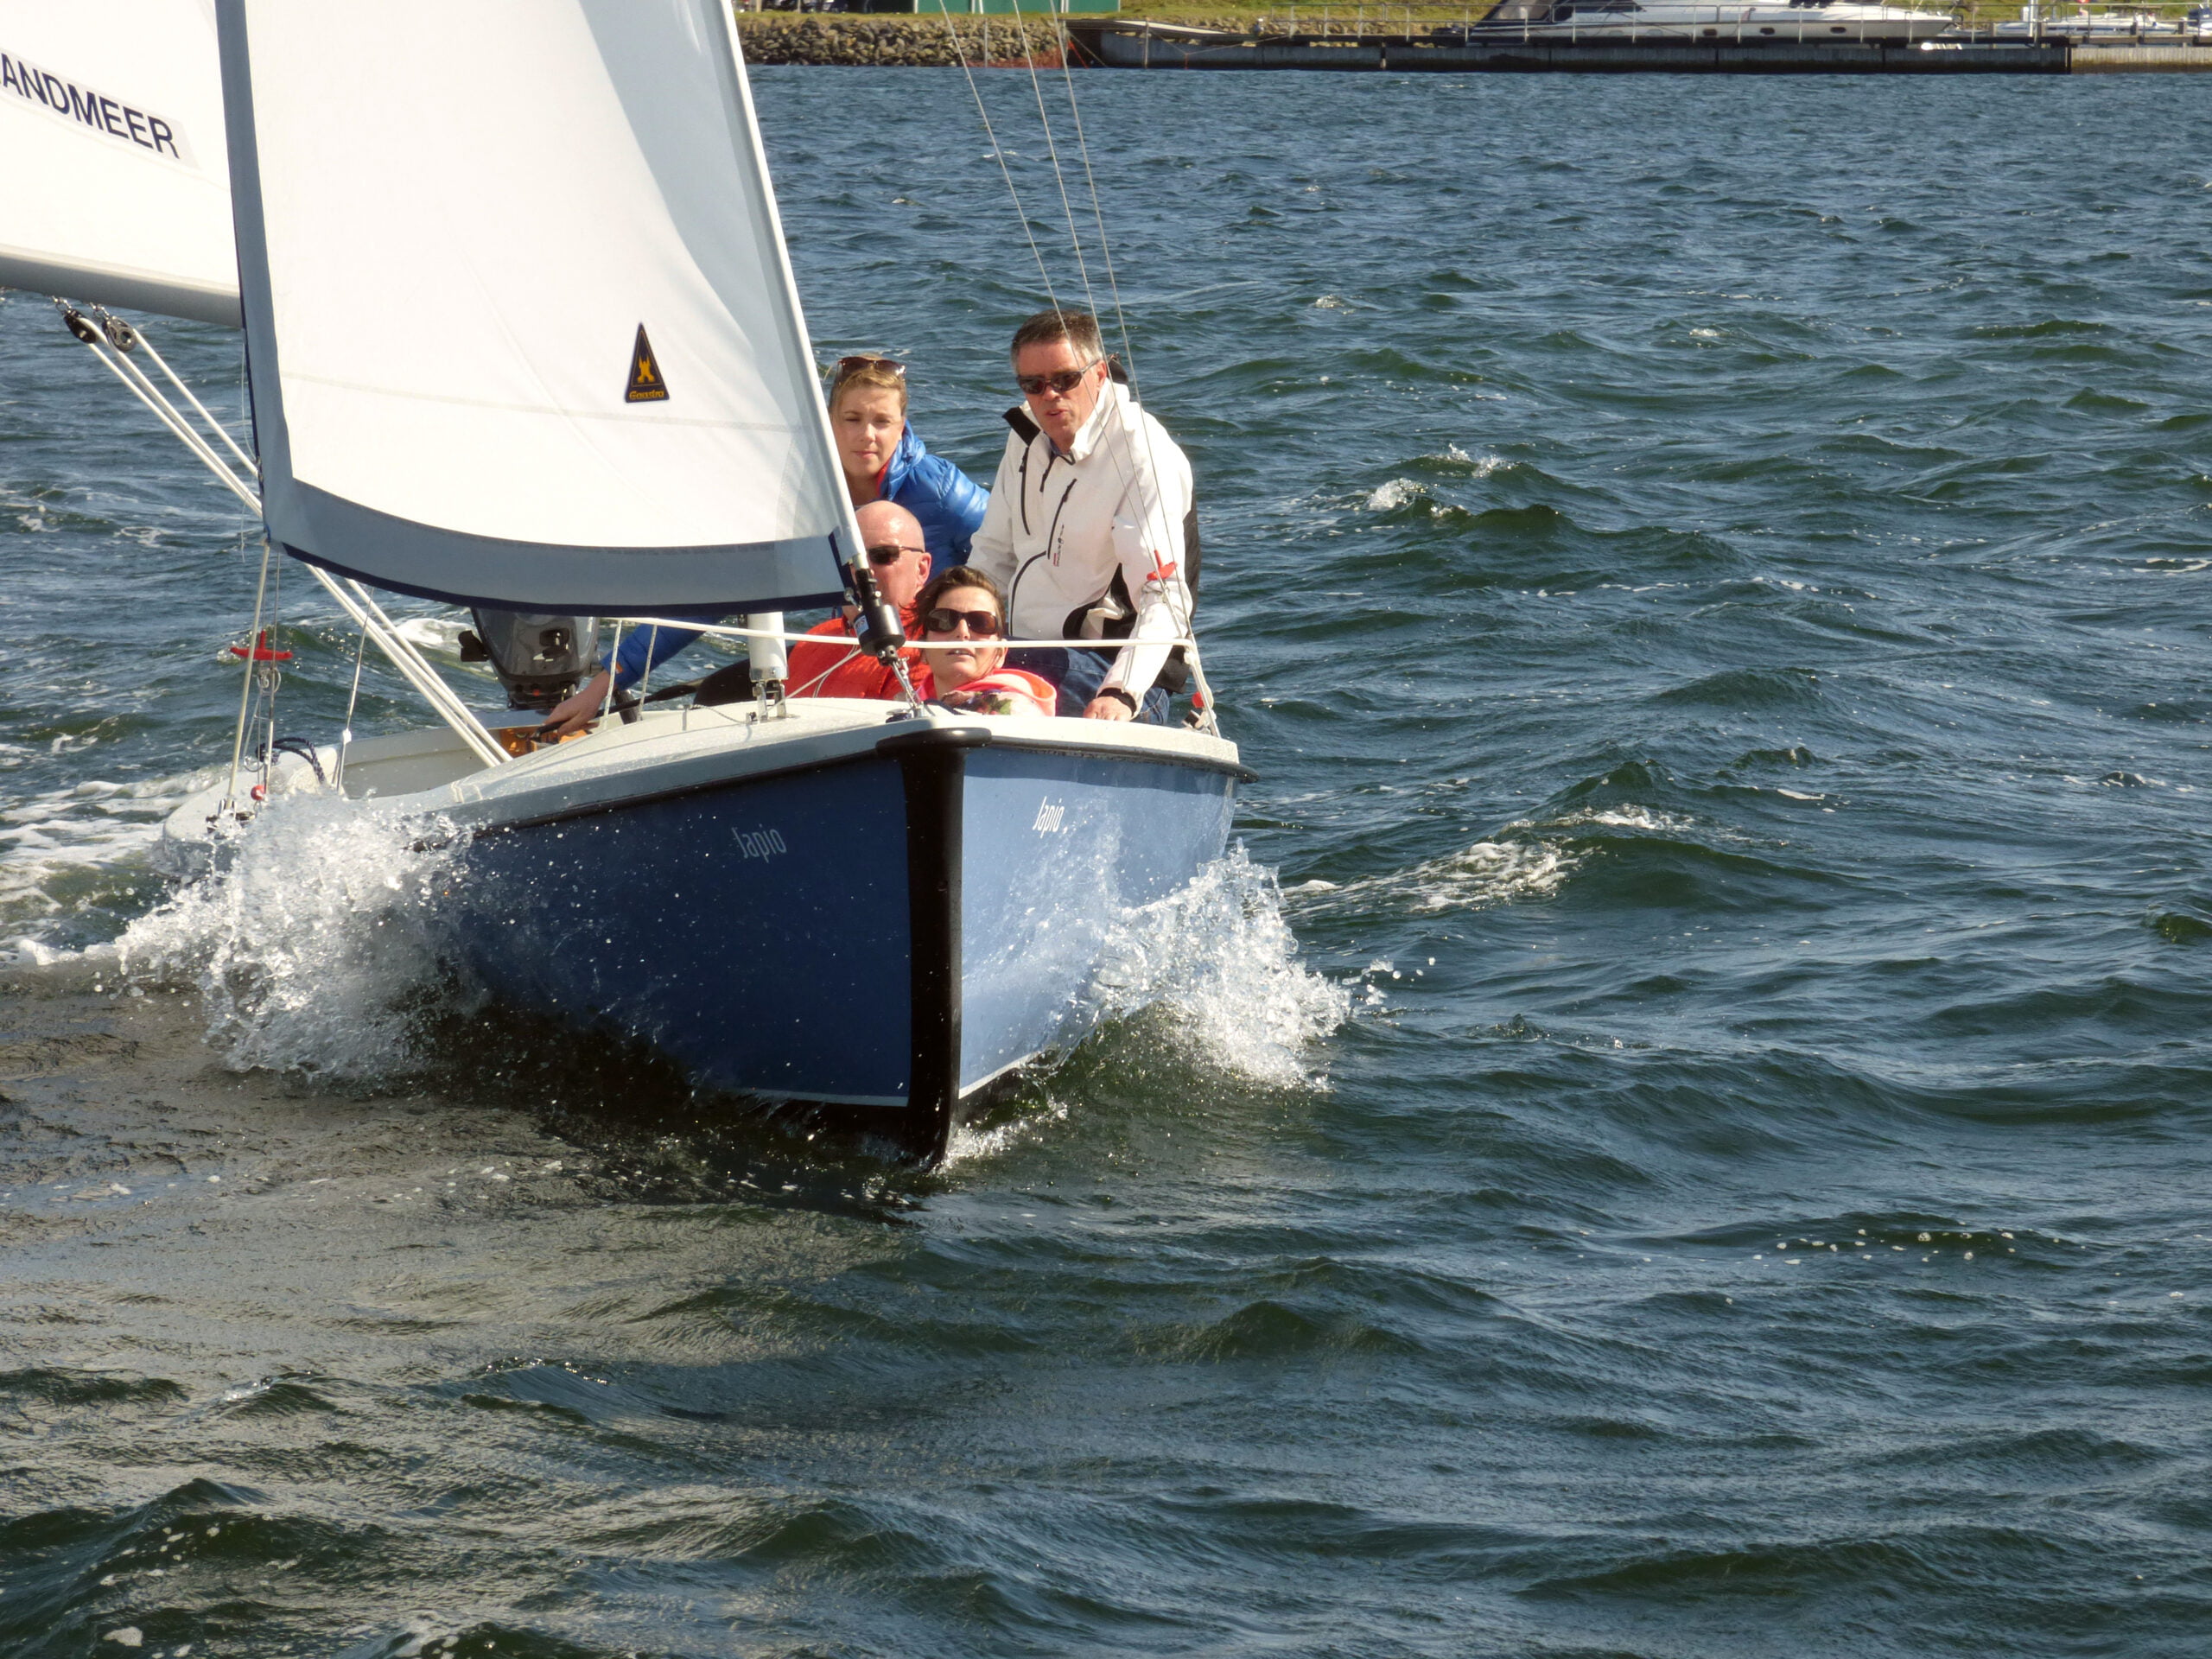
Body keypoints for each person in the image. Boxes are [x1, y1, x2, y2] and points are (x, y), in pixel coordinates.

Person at [540, 357, 988, 734]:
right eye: (852, 419)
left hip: (936, 655)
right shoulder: (801, 496)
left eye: (882, 421)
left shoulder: (941, 491)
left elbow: (1010, 549)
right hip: (854, 649)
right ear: (828, 423)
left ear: (902, 425)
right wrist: (601, 686)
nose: (867, 435)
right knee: (716, 696)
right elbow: (716, 595)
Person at [965, 309, 1195, 723]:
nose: (1049, 395)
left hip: (1110, 672)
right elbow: (992, 555)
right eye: (1033, 385)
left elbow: (1166, 596)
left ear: (1101, 373)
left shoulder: (1143, 455)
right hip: (1021, 647)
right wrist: (951, 633)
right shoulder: (1025, 436)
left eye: (1066, 380)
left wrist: (1121, 692)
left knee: (981, 700)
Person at [785, 499, 931, 700]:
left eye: (882, 555)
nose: (862, 570)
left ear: (921, 569)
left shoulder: (930, 650)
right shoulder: (815, 638)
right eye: (850, 557)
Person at [909, 567, 1054, 717]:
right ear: (923, 650)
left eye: (981, 622)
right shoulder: (903, 707)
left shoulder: (1018, 711)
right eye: (944, 620)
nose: (962, 632)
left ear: (1000, 654)